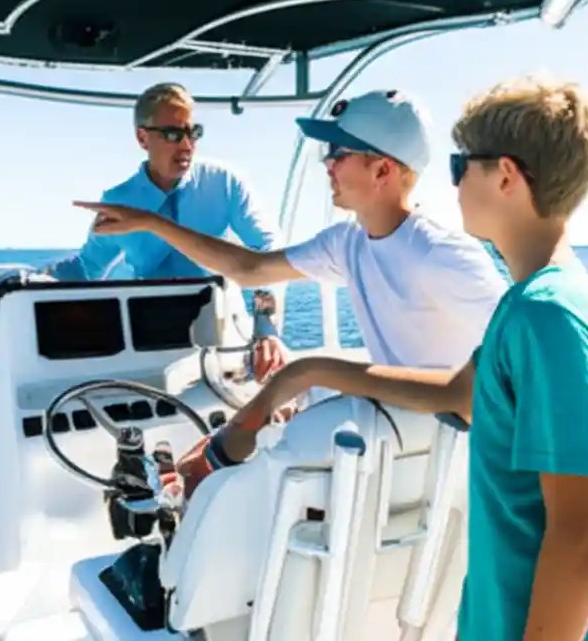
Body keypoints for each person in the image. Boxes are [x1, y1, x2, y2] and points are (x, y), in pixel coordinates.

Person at [188, 76, 588, 639]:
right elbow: (459, 393)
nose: (451, 184)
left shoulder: (546, 317)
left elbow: (582, 541)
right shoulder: (529, 305)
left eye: (461, 167)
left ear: (505, 176)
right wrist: (310, 372)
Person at [74, 88, 511, 489]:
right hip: (396, 436)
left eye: (339, 153)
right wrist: (152, 223)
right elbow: (251, 268)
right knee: (264, 424)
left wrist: (312, 374)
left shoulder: (442, 253)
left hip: (448, 463)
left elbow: (519, 374)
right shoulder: (347, 242)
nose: (327, 164)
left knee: (265, 436)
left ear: (383, 169)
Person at [45, 81, 289, 377]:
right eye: (173, 134)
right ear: (142, 138)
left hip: (223, 333)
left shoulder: (225, 182)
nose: (187, 146)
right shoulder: (118, 200)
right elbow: (88, 267)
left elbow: (269, 248)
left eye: (193, 133)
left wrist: (266, 328)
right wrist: (35, 280)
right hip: (149, 338)